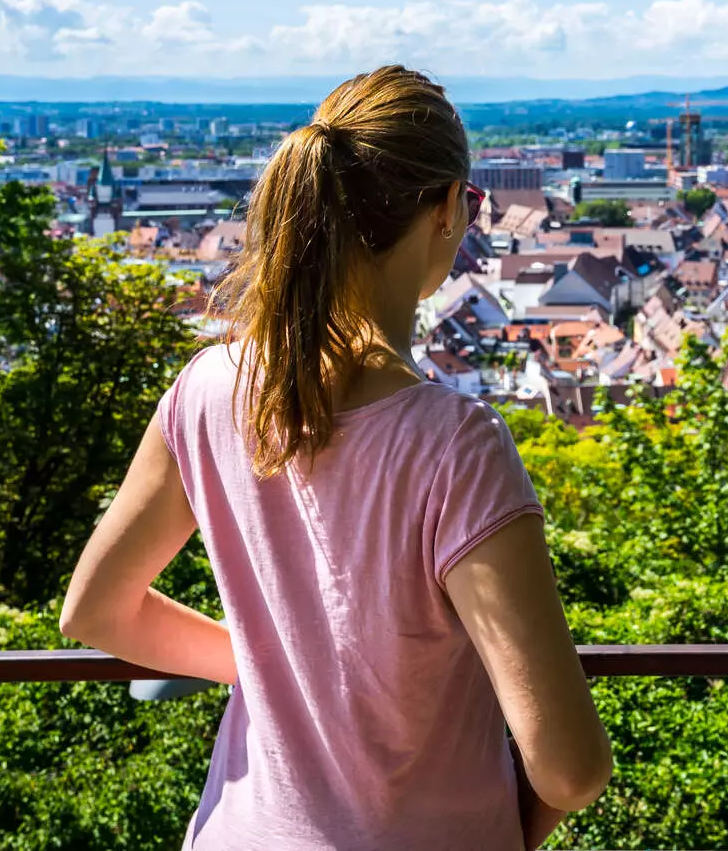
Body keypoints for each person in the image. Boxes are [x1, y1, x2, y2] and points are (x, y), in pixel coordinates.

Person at [60, 66, 612, 849]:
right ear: (448, 207)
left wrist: (275, 672)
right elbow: (570, 769)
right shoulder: (454, 444)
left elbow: (95, 611)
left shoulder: (210, 388)